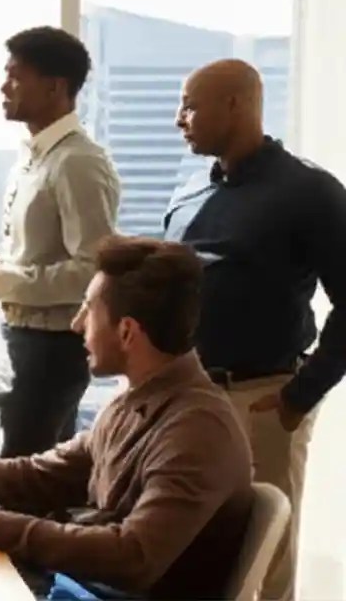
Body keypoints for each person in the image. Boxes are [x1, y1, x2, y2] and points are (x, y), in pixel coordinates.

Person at [0, 236, 253, 600]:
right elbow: (46, 472)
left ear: (126, 332)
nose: (77, 325)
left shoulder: (197, 429)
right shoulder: (138, 400)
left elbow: (134, 556)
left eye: (88, 310)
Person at [164, 58, 346, 601]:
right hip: (186, 400)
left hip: (261, 398)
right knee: (187, 548)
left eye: (191, 106)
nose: (179, 119)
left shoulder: (310, 192)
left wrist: (299, 395)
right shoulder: (190, 190)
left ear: (236, 105)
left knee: (263, 564)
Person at [0, 26, 120, 458]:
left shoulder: (78, 162)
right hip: (25, 342)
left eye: (16, 76)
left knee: (23, 479)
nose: (4, 87)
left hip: (53, 349)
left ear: (56, 87)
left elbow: (90, 271)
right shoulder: (35, 156)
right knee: (27, 475)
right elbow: (44, 253)